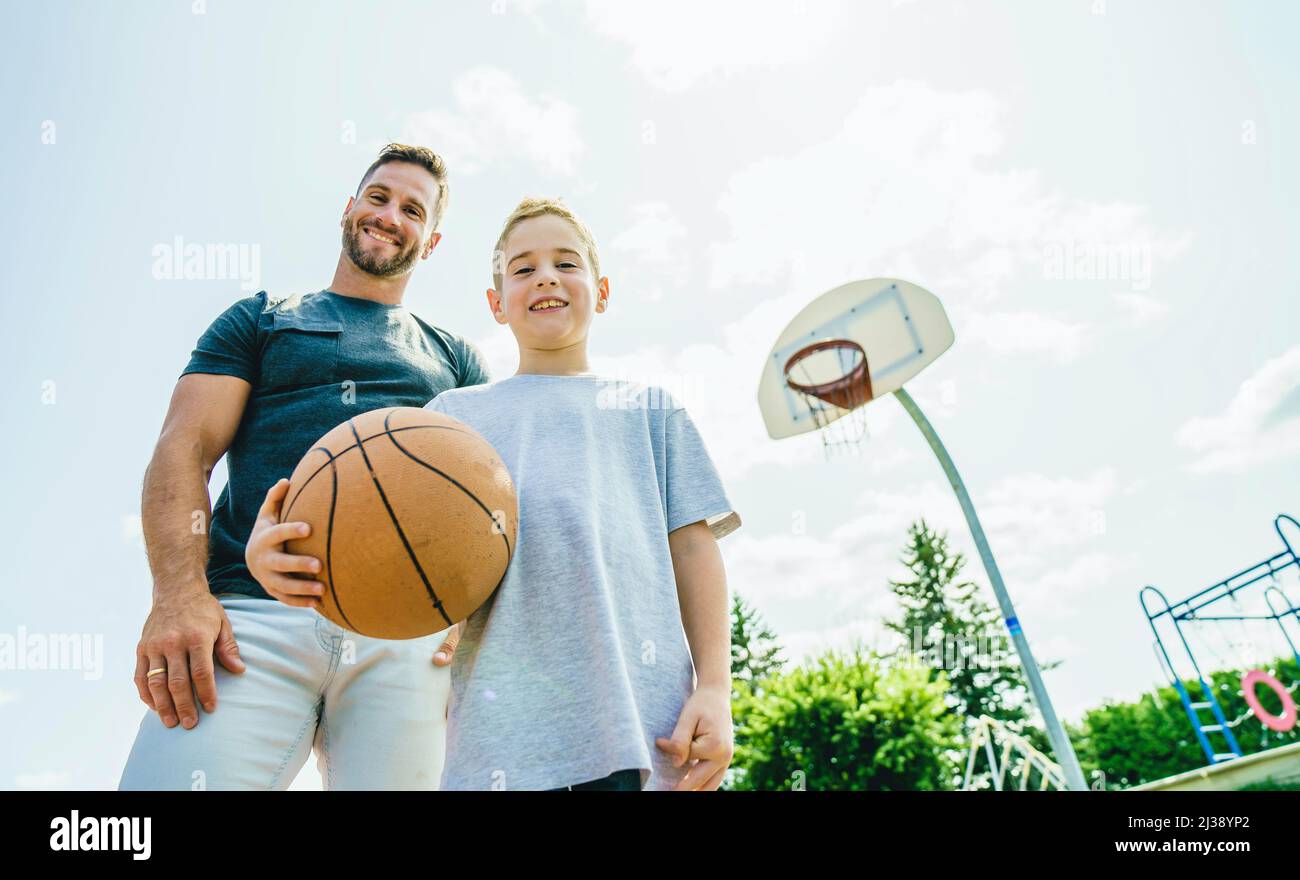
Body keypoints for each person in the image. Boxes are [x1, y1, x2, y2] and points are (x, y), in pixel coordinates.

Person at [119, 144, 485, 790]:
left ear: (430, 242)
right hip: (247, 615)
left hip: (405, 632)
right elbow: (184, 448)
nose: (388, 215)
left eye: (411, 209)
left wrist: (474, 618)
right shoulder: (261, 319)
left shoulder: (455, 360)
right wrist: (178, 595)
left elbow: (495, 503)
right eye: (377, 196)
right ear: (349, 208)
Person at [425, 197, 741, 791]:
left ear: (601, 290)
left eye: (566, 263)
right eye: (522, 268)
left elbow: (696, 552)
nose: (545, 275)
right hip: (497, 740)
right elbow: (407, 545)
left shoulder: (652, 410)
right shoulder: (450, 421)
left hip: (640, 727)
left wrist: (715, 687)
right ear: (497, 304)